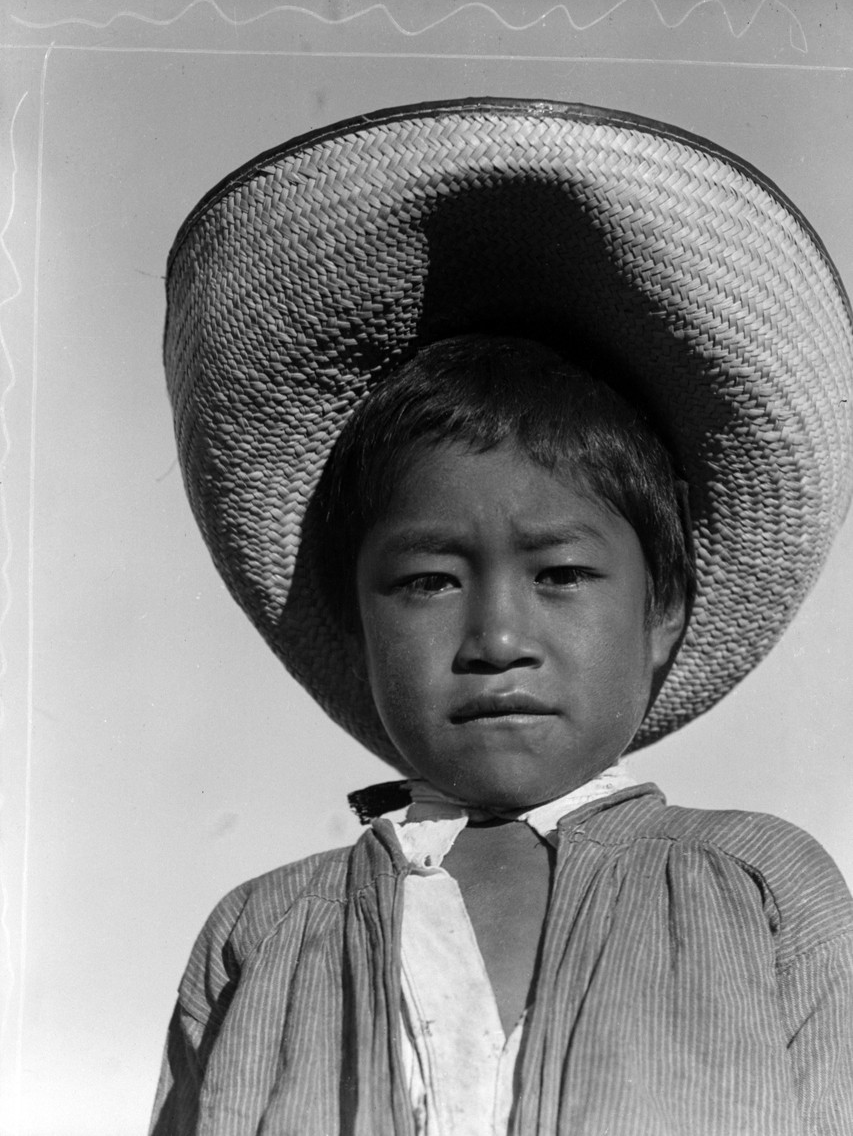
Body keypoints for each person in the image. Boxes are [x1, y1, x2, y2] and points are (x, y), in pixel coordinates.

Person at [150, 99, 853, 1135]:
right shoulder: (260, 931)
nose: (495, 638)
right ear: (354, 619)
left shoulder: (757, 887)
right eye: (428, 580)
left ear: (663, 611)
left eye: (561, 574)